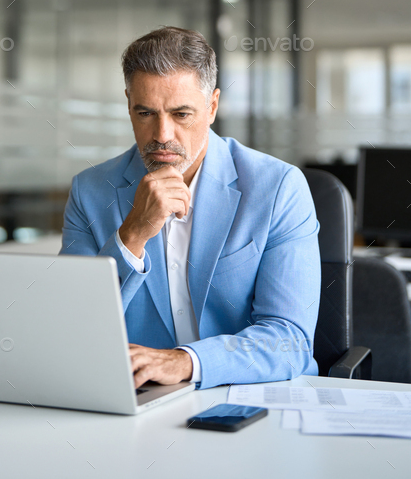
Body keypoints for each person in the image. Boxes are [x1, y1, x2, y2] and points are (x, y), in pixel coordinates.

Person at [60, 26, 321, 390]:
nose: (162, 135)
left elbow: (289, 339)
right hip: (141, 399)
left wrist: (186, 362)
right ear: (128, 105)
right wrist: (133, 233)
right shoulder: (89, 192)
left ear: (211, 107)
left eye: (181, 114)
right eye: (145, 113)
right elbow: (70, 327)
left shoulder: (278, 188)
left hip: (255, 393)